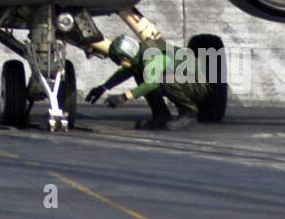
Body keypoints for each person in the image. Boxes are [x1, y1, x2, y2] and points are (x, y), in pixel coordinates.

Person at [84, 8, 213, 131]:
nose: (120, 64)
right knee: (139, 74)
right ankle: (160, 115)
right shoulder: (138, 55)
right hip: (184, 82)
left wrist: (124, 97)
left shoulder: (151, 55)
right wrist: (104, 87)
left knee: (162, 79)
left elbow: (153, 83)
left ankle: (189, 112)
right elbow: (125, 72)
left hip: (197, 85)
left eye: (118, 61)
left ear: (123, 57)